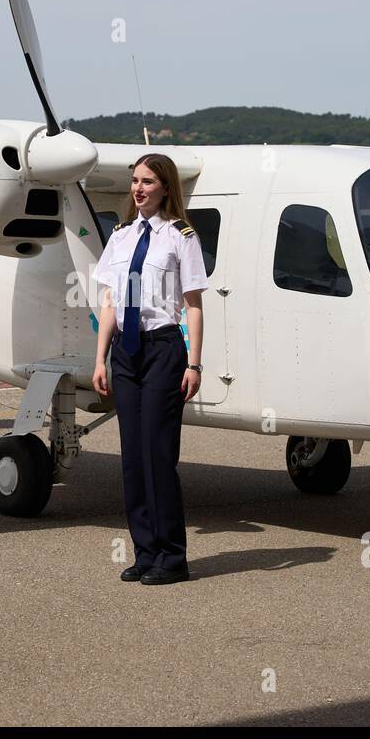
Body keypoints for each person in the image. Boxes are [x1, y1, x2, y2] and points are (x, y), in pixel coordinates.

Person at [92, 153, 208, 585]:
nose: (138, 189)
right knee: (132, 459)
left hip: (163, 349)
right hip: (125, 351)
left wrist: (194, 363)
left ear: (165, 188)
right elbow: (109, 303)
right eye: (135, 181)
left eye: (148, 182)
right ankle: (144, 553)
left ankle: (172, 558)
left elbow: (193, 305)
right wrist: (100, 356)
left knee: (159, 455)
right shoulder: (120, 238)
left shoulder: (181, 237)